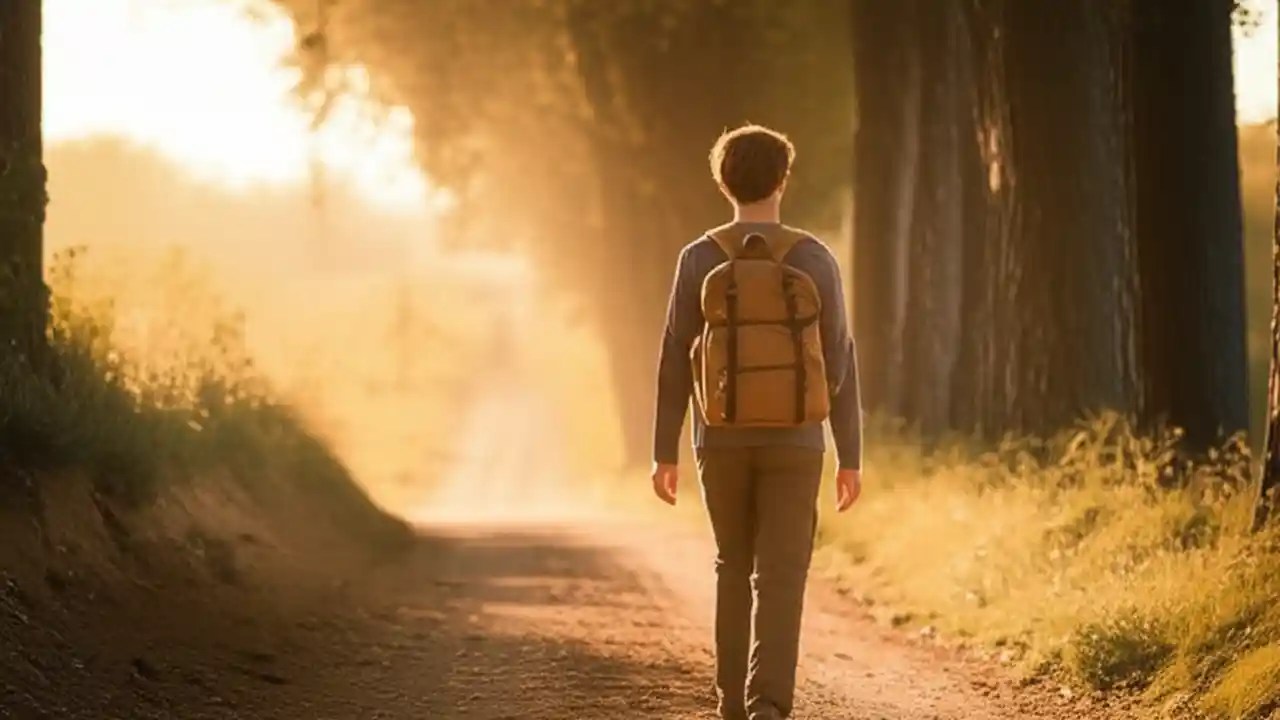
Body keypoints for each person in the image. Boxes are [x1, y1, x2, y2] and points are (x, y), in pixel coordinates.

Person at [650, 124, 863, 720]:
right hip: (798, 442)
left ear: (723, 182)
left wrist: (663, 451)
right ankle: (768, 701)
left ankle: (729, 703)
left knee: (732, 564)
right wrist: (850, 454)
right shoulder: (813, 257)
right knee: (783, 574)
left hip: (719, 440)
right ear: (784, 180)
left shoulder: (699, 257)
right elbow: (840, 360)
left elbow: (674, 357)